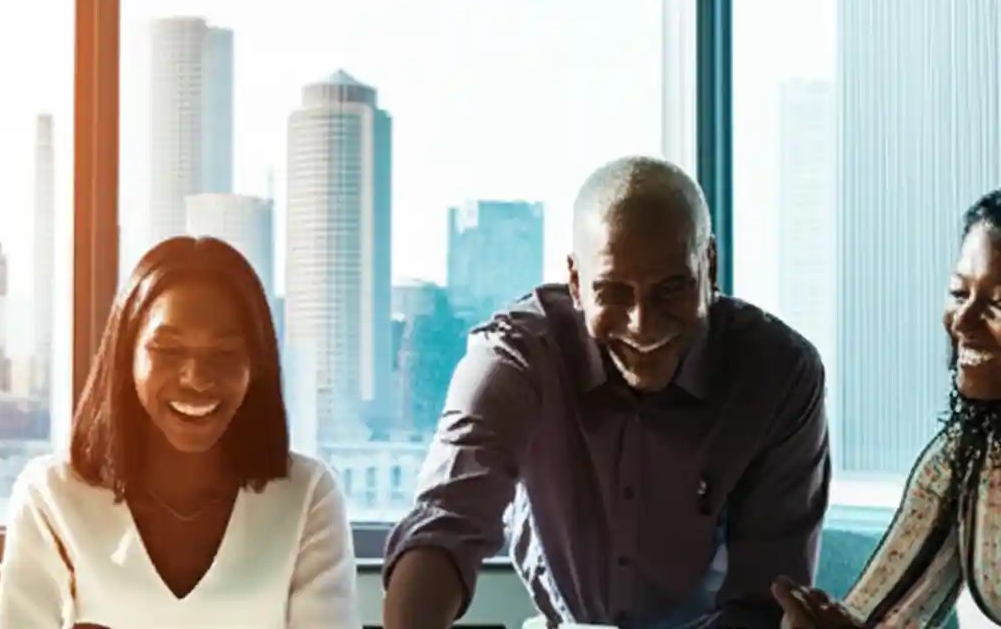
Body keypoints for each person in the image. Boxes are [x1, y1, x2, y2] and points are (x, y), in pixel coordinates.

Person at [383, 156, 832, 629]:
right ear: (576, 283)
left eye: (670, 289)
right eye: (614, 292)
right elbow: (445, 524)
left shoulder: (780, 375)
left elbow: (764, 600)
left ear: (710, 266)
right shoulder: (516, 357)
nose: (643, 325)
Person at [0, 236, 359, 628]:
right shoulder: (51, 496)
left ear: (257, 366)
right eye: (167, 350)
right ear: (126, 355)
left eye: (225, 353)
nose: (196, 378)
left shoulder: (307, 495)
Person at [773, 188, 1001, 628]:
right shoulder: (966, 458)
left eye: (997, 304)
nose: (963, 322)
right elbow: (878, 618)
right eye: (959, 293)